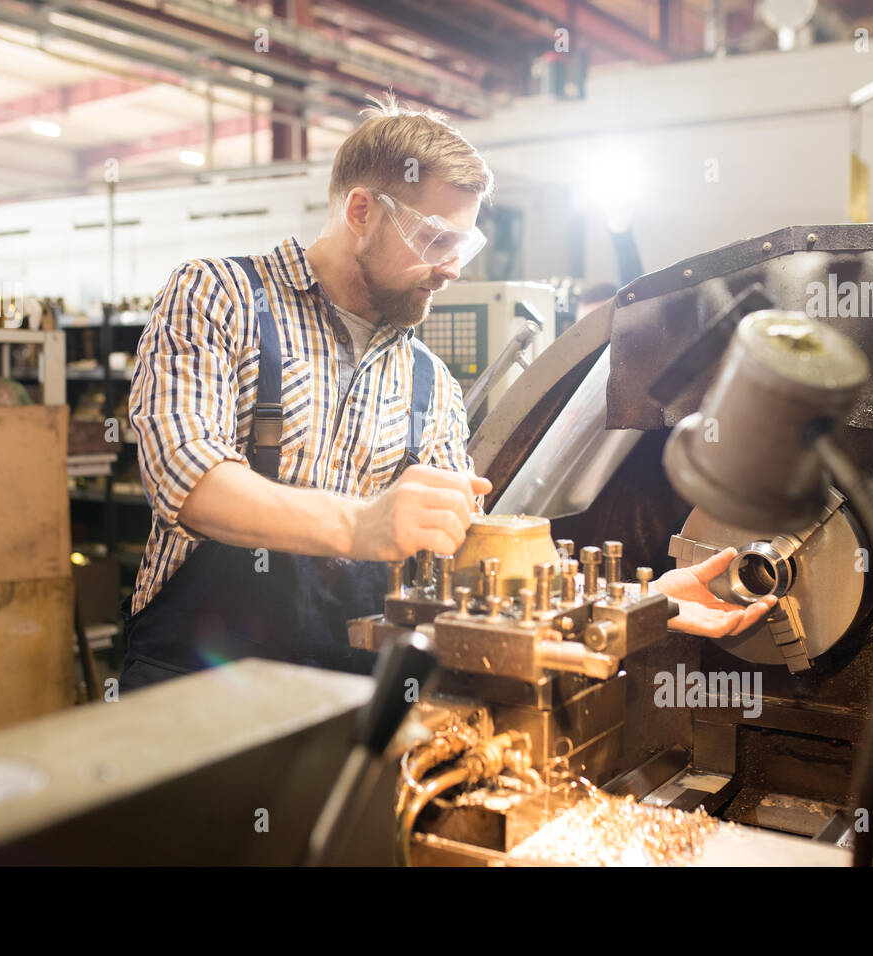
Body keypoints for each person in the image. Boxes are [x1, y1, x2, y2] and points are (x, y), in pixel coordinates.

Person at [119, 95, 774, 692]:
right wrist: (360, 525)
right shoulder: (218, 297)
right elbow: (190, 482)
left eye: (466, 244)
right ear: (361, 212)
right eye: (436, 238)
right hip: (193, 688)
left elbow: (469, 556)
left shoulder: (430, 382)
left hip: (342, 699)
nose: (454, 267)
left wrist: (646, 602)